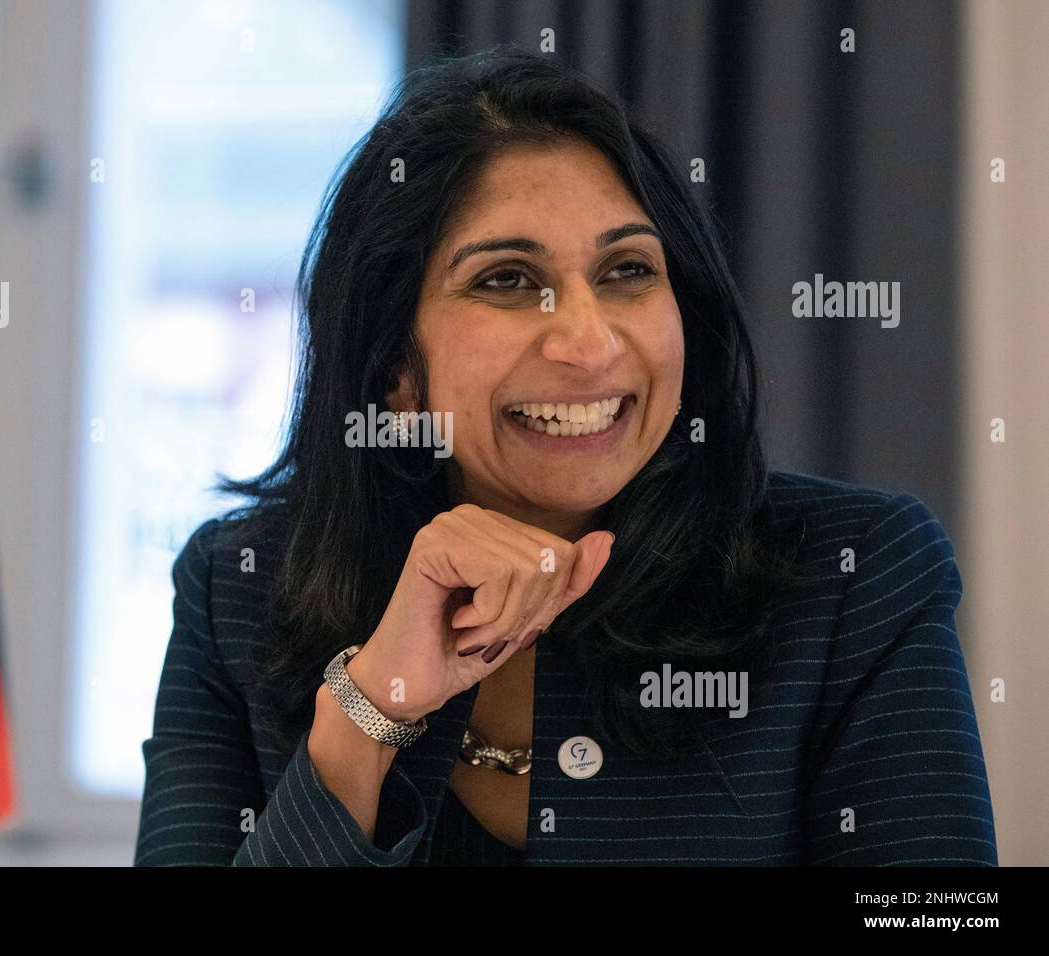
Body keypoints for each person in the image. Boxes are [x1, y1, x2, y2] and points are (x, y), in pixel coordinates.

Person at [133, 47, 997, 866]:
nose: (589, 342)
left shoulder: (859, 574)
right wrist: (364, 719)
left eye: (627, 270)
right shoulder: (236, 590)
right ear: (393, 364)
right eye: (507, 279)